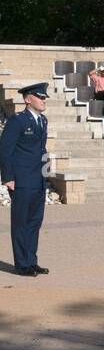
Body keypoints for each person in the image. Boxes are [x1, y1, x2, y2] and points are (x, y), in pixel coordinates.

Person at [0, 84, 51, 276]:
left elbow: (42, 150)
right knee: (21, 222)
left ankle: (31, 260)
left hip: (38, 179)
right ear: (28, 99)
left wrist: (46, 174)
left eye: (44, 97)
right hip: (21, 180)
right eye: (40, 97)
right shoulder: (17, 121)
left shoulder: (43, 121)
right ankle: (22, 264)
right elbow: (5, 150)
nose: (44, 100)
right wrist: (7, 177)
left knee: (35, 221)